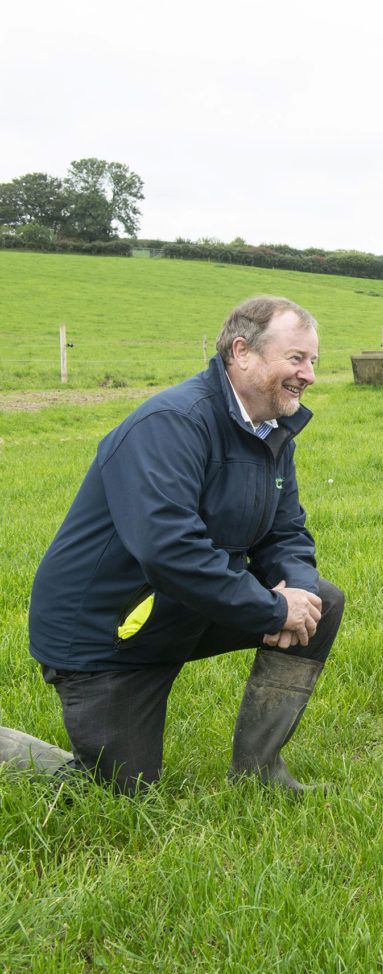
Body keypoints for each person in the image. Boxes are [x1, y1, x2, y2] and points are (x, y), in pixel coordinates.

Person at [2, 295, 345, 795]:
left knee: (318, 602)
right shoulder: (171, 423)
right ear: (242, 351)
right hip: (109, 634)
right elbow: (170, 551)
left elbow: (285, 531)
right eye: (296, 358)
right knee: (119, 794)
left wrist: (296, 591)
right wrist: (272, 609)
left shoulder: (271, 432)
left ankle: (259, 774)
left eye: (314, 360)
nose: (309, 374)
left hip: (180, 609)